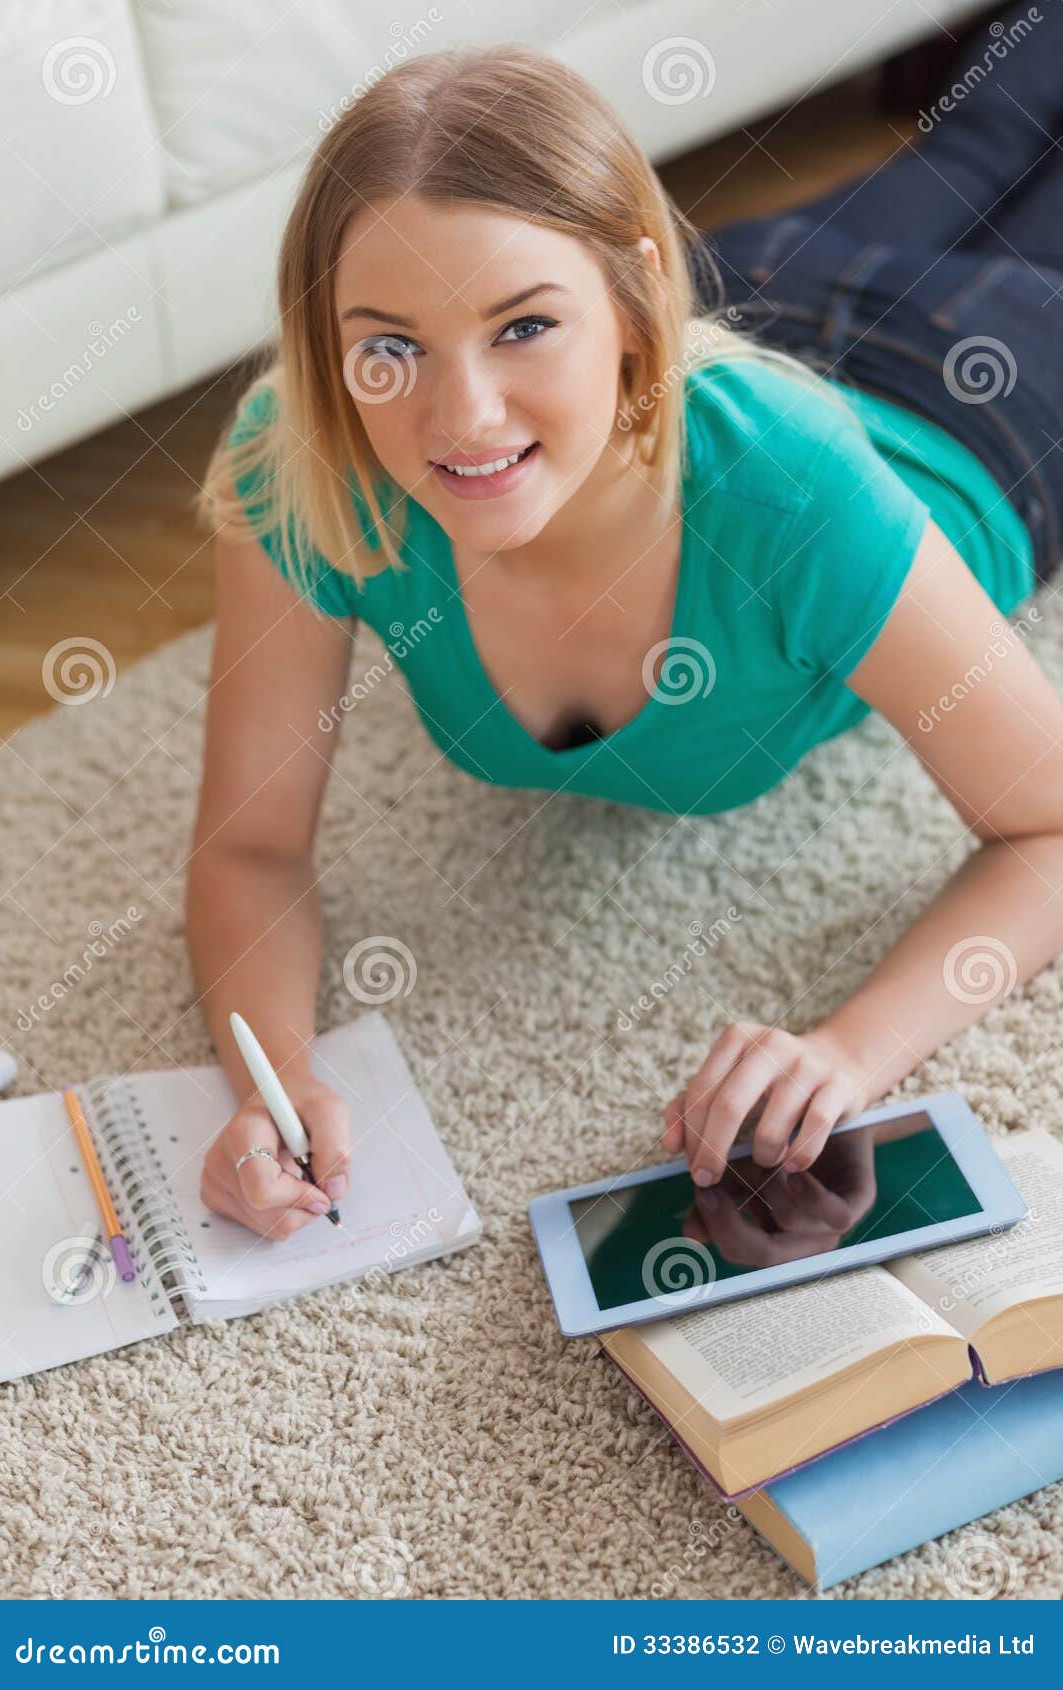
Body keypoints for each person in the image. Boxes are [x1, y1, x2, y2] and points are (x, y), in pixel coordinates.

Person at [188, 19, 1063, 1242]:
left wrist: (845, 1053)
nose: (462, 415)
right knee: (968, 149)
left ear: (632, 300)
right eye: (390, 345)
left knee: (1004, 142)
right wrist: (272, 1086)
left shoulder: (788, 486)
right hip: (765, 284)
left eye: (520, 325)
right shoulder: (302, 464)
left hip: (984, 391)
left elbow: (1047, 827)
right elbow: (247, 848)